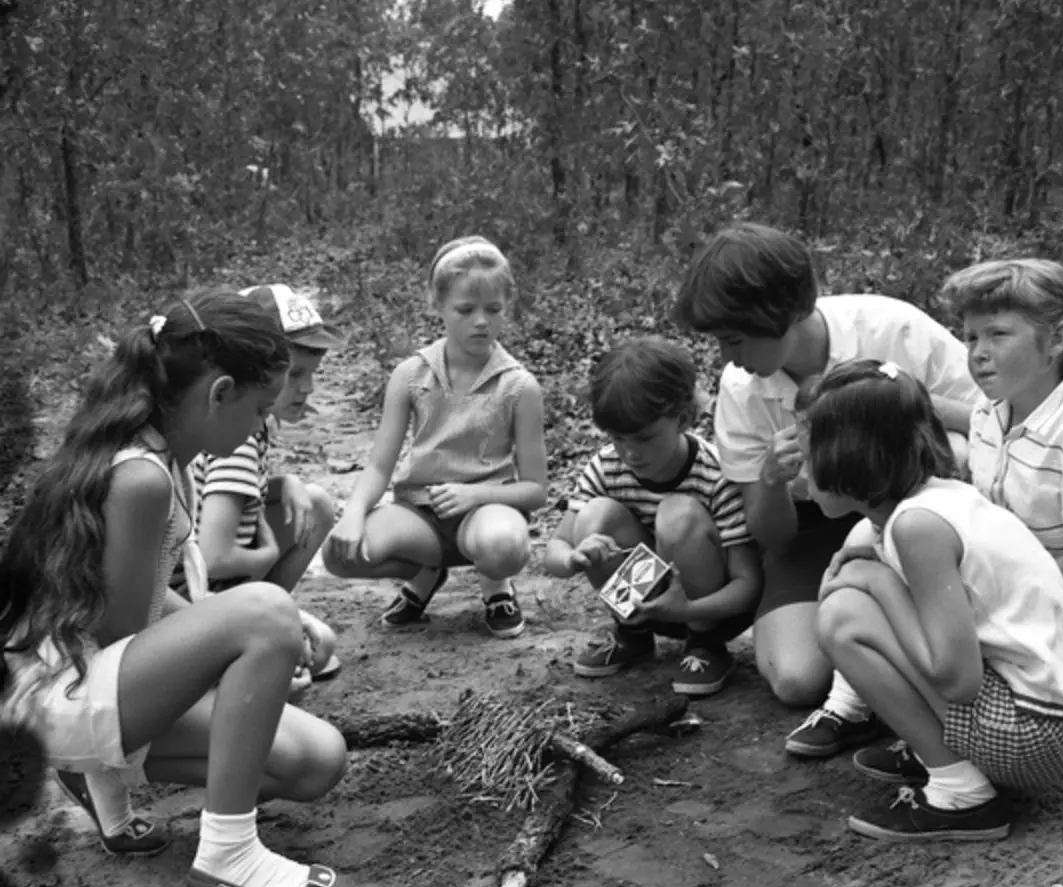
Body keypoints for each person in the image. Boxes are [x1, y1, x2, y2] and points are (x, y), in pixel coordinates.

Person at [0, 291, 355, 887]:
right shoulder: (140, 477)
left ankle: (95, 777)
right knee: (261, 609)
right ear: (219, 393)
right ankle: (228, 858)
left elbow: (135, 600)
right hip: (54, 695)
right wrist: (247, 633)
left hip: (89, 679)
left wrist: (270, 628)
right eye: (259, 409)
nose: (260, 427)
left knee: (315, 761)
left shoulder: (166, 455)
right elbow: (121, 633)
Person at [673, 222, 980, 756]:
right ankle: (882, 683)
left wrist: (904, 405)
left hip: (922, 511)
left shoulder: (892, 330)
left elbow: (992, 423)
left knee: (964, 457)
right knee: (794, 679)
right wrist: (770, 480)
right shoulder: (741, 389)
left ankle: (916, 676)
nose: (727, 354)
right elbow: (770, 532)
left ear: (778, 315)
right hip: (817, 522)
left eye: (734, 338)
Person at [852, 258, 1063, 786]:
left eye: (998, 334)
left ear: (1057, 340)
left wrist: (969, 603)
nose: (978, 353)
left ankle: (959, 752)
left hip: (1061, 608)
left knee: (887, 607)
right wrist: (871, 391)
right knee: (882, 567)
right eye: (971, 337)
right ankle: (919, 723)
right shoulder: (993, 413)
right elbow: (936, 410)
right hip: (1001, 588)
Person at [808, 359, 1063, 841]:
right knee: (854, 600)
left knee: (843, 620)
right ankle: (934, 747)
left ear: (849, 457)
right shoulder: (936, 500)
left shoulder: (918, 527)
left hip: (1030, 735)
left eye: (806, 456)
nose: (801, 474)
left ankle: (959, 794)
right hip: (1050, 717)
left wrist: (879, 584)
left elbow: (958, 681)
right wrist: (872, 570)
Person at [323, 236, 547, 638]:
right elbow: (379, 465)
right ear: (438, 305)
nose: (481, 321)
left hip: (487, 512)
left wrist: (477, 495)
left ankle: (496, 585)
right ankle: (428, 571)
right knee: (341, 556)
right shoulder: (411, 374)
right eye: (465, 309)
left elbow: (535, 490)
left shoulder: (518, 387)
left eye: (493, 310)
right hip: (419, 516)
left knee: (504, 547)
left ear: (506, 308)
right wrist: (353, 514)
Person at [542, 337, 762, 696]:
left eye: (644, 438)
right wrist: (574, 557)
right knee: (595, 515)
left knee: (677, 513)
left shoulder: (715, 475)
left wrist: (689, 610)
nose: (630, 452)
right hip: (649, 603)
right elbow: (555, 551)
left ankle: (704, 645)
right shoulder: (606, 467)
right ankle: (632, 633)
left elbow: (748, 585)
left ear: (683, 418)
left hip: (708, 609)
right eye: (617, 438)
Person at [188, 284, 346, 690]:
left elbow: (224, 497)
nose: (307, 389)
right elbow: (214, 556)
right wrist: (268, 555)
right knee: (320, 648)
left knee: (316, 503)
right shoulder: (237, 439)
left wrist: (283, 481)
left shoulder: (245, 427)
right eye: (294, 375)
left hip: (211, 593)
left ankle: (264, 630)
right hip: (203, 599)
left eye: (312, 374)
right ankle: (255, 642)